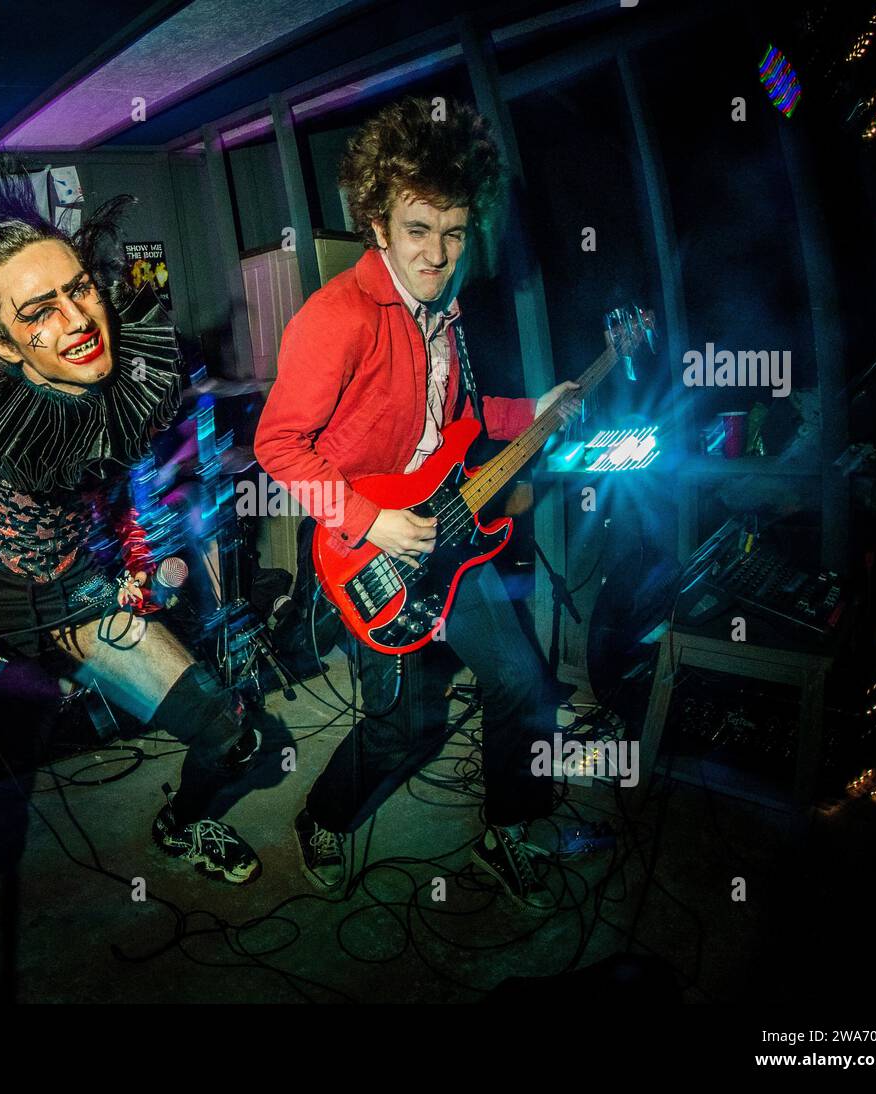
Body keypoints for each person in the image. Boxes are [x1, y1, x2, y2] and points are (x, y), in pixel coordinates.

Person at [0, 154, 263, 889]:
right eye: (39, 309)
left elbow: (125, 478)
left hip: (76, 591)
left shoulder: (128, 378)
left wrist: (137, 560)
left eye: (79, 290)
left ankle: (182, 823)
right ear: (4, 344)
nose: (77, 321)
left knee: (230, 730)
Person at [254, 97, 581, 910]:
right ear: (377, 223)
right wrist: (371, 519)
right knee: (404, 728)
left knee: (523, 688)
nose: (438, 253)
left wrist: (535, 407)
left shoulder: (446, 313)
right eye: (418, 229)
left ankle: (507, 835)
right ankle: (321, 816)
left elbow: (459, 421)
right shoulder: (337, 318)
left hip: (447, 528)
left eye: (455, 231)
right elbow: (276, 447)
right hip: (367, 546)